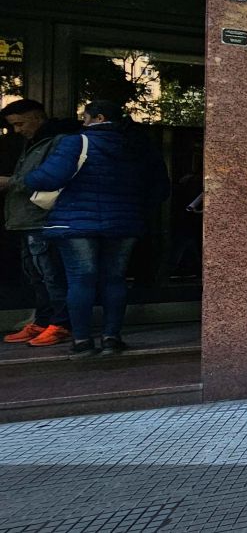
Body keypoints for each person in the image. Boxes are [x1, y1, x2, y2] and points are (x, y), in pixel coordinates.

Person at [25, 100, 169, 358]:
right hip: (124, 222)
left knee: (81, 280)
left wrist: (27, 177)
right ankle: (112, 338)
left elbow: (48, 178)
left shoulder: (76, 142)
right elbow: (158, 187)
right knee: (115, 279)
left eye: (85, 117)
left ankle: (82, 340)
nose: (82, 122)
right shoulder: (135, 145)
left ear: (98, 117)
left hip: (77, 222)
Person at [0, 99, 80, 346]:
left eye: (20, 123)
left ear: (37, 117)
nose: (17, 130)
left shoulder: (57, 142)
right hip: (27, 218)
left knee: (50, 275)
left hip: (41, 218)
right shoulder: (36, 142)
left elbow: (47, 178)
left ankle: (60, 324)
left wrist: (11, 182)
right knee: (37, 276)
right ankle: (45, 321)